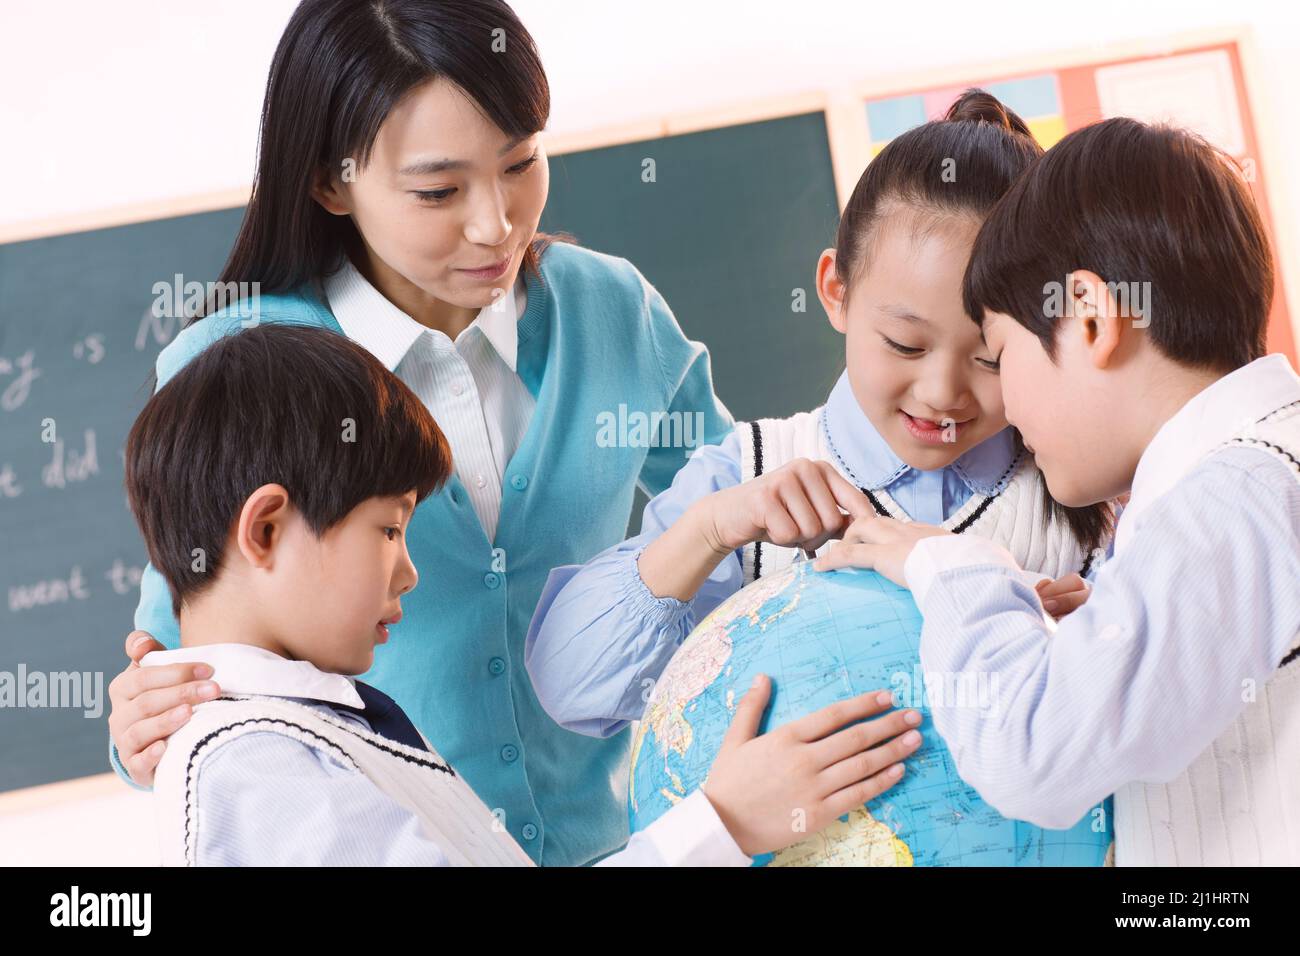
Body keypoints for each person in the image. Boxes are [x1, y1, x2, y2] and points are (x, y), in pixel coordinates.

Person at [105, 0, 752, 866]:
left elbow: (744, 514)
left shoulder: (611, 310)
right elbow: (195, 644)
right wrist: (139, 725)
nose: (497, 225)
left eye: (521, 162)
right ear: (331, 181)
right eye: (438, 190)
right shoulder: (236, 358)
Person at [125, 323, 922, 866]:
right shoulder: (258, 773)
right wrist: (723, 822)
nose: (408, 572)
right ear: (265, 530)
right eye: (389, 530)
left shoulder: (300, 735)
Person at [526, 91, 1112, 763]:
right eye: (904, 344)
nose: (943, 394)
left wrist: (1092, 644)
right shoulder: (742, 476)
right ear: (835, 291)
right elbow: (575, 689)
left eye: (990, 357)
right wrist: (710, 528)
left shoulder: (1083, 487)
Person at [815, 117, 1300, 865]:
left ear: (1094, 318)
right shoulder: (1248, 481)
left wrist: (954, 568)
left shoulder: (1235, 496)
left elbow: (1032, 752)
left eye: (999, 355)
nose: (999, 401)